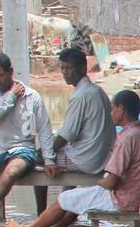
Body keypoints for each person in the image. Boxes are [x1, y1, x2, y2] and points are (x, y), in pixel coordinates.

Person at [7, 90, 140, 227]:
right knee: (78, 197)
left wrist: (99, 182)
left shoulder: (127, 138)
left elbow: (112, 182)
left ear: (121, 109)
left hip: (125, 200)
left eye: (112, 108)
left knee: (64, 198)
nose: (110, 113)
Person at [0, 52, 56, 221]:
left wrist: (49, 159)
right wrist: (10, 97)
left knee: (10, 172)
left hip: (22, 150)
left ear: (11, 71)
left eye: (0, 76)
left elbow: (44, 129)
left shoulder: (32, 96)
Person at [45, 47, 115, 178]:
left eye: (68, 68)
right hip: (101, 156)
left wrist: (46, 151)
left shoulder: (81, 96)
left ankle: (40, 200)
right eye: (62, 68)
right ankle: (66, 196)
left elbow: (65, 136)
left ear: (82, 69)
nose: (64, 72)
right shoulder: (96, 90)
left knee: (41, 160)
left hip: (87, 160)